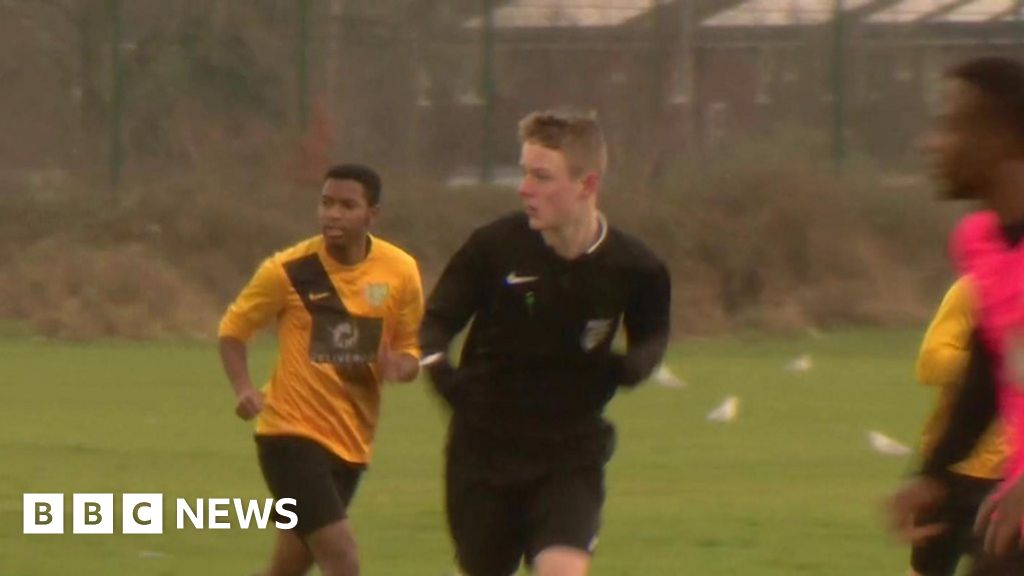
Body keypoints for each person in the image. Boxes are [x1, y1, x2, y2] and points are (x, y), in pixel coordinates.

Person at [419, 110, 672, 576]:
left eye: (541, 176)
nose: (524, 188)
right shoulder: (493, 247)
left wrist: (637, 363)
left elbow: (653, 334)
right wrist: (441, 373)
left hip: (570, 453)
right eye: (524, 173)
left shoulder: (636, 267)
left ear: (586, 185)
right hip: (483, 455)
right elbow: (435, 323)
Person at [218, 164, 424, 576]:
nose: (333, 214)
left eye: (348, 205)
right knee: (342, 559)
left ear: (372, 214)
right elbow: (233, 331)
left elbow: (409, 350)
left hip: (351, 443)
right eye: (326, 203)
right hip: (289, 437)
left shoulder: (400, 271)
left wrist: (398, 368)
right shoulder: (289, 270)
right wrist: (242, 387)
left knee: (287, 567)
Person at [887, 56, 1024, 575]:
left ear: (1006, 139)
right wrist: (936, 475)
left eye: (951, 125)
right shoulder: (982, 242)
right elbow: (994, 366)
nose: (932, 143)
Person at [908, 278, 1004, 576]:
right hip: (951, 472)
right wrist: (992, 366)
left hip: (1011, 483)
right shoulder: (973, 291)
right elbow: (930, 363)